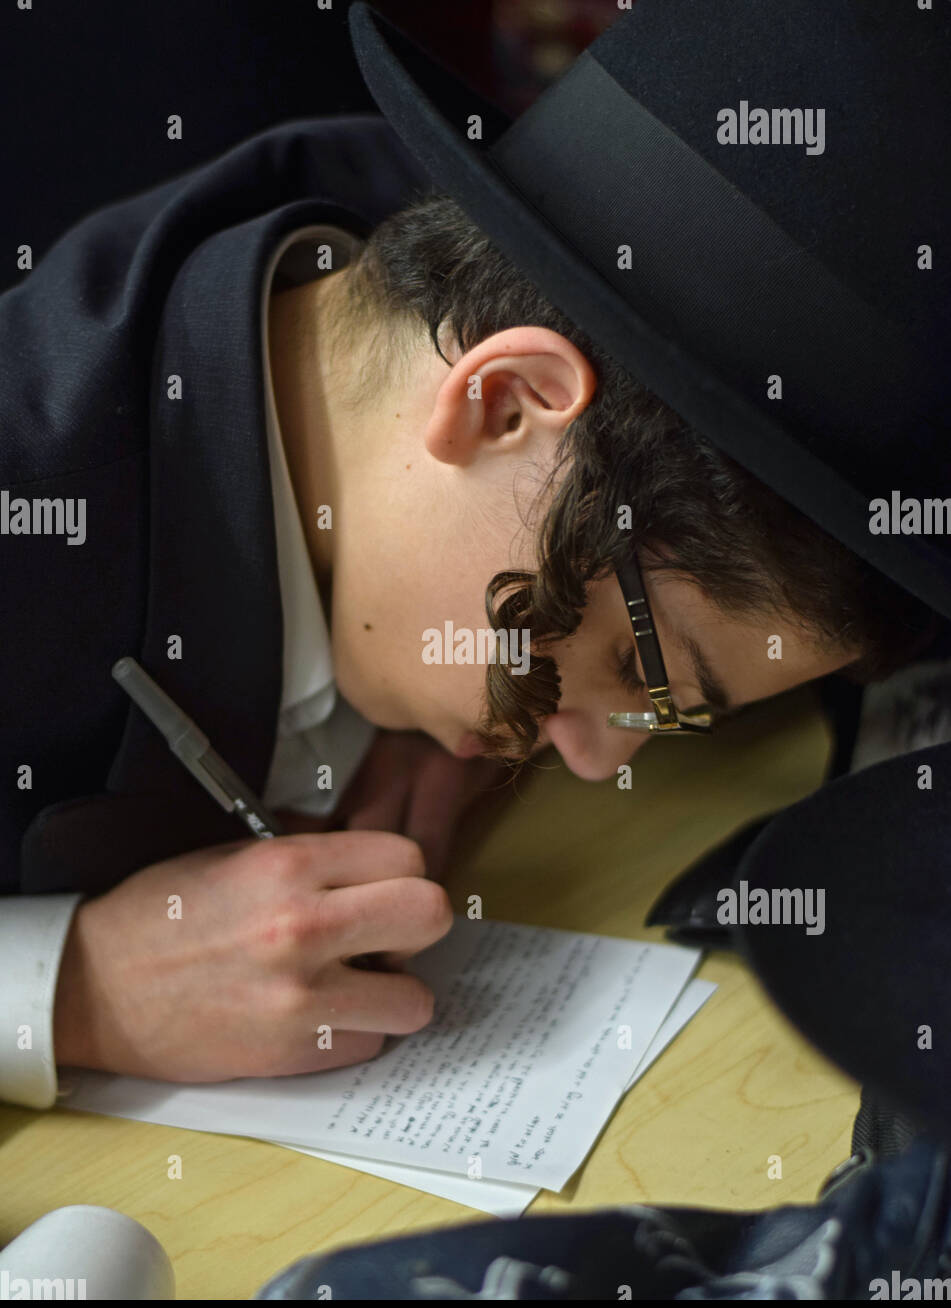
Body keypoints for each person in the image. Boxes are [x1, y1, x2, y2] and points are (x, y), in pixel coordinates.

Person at [1, 0, 947, 1117]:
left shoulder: (424, 260)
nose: (594, 759)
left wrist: (458, 691)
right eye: (644, 671)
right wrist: (72, 992)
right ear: (504, 400)